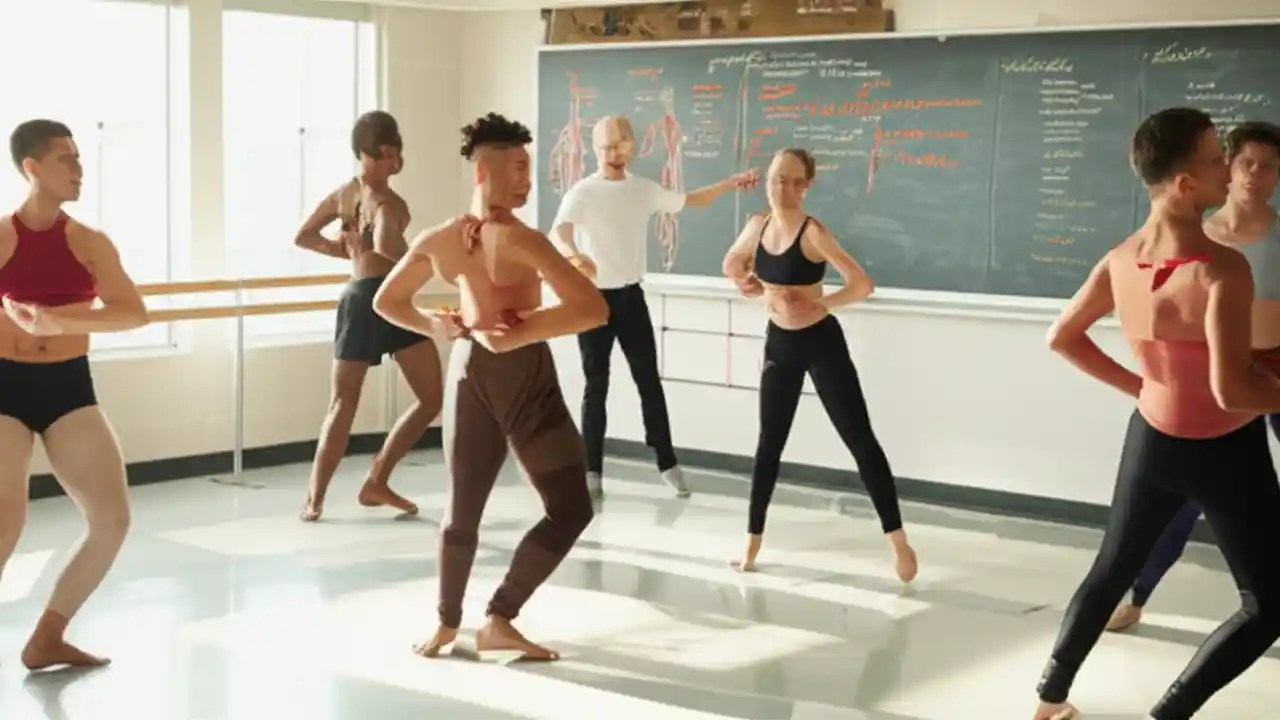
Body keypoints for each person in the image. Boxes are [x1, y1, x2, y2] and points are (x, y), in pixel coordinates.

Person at [1033, 107, 1280, 720]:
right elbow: (1235, 392)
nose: (1228, 166)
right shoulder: (1221, 267)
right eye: (1216, 157)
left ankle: (1049, 701)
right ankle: (1169, 713)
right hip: (1223, 451)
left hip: (1152, 440)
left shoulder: (1121, 258)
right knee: (1270, 604)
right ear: (1186, 185)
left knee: (1109, 573)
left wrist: (1144, 387)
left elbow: (1061, 337)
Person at [373, 112, 608, 661]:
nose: (528, 180)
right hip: (519, 377)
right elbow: (593, 310)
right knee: (567, 507)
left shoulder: (443, 238)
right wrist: (520, 330)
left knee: (467, 513)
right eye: (519, 168)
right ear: (484, 170)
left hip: (469, 368)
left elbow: (390, 302)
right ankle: (495, 618)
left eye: (531, 169)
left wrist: (442, 325)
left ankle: (448, 627)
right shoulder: (522, 238)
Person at [1105, 120, 1280, 634]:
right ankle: (1137, 596)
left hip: (1272, 368)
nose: (1254, 175)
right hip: (1214, 376)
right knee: (1179, 498)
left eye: (1268, 167)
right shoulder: (1195, 233)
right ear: (1226, 165)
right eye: (1245, 162)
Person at [720, 148, 917, 581]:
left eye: (793, 181)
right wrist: (745, 282)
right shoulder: (757, 226)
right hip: (779, 344)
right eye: (776, 179)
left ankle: (899, 541)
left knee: (859, 438)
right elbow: (730, 262)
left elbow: (862, 284)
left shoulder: (813, 233)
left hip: (820, 343)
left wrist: (820, 305)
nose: (783, 189)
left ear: (806, 187)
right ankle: (751, 543)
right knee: (769, 443)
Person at [0, 119, 150, 669]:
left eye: (80, 159)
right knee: (5, 520)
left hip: (68, 386)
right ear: (32, 168)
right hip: (4, 387)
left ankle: (47, 637)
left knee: (112, 520)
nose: (79, 169)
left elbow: (133, 312)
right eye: (67, 160)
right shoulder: (1, 236)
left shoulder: (89, 243)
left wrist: (54, 323)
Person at [548, 114, 759, 500]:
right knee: (596, 387)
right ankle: (592, 469)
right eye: (607, 146)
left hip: (631, 298)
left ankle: (667, 462)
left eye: (621, 144)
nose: (614, 153)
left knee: (649, 382)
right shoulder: (583, 191)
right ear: (595, 149)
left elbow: (690, 200)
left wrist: (729, 185)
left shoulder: (642, 189)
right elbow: (559, 231)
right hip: (594, 300)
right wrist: (575, 255)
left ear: (631, 145)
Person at [293, 110, 441, 522]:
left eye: (395, 153)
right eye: (389, 154)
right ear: (375, 154)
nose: (394, 161)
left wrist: (344, 250)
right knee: (427, 398)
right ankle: (370, 479)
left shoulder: (344, 194)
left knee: (346, 401)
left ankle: (319, 498)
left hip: (359, 295)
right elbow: (394, 253)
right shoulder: (391, 204)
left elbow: (304, 235)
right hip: (385, 298)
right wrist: (432, 256)